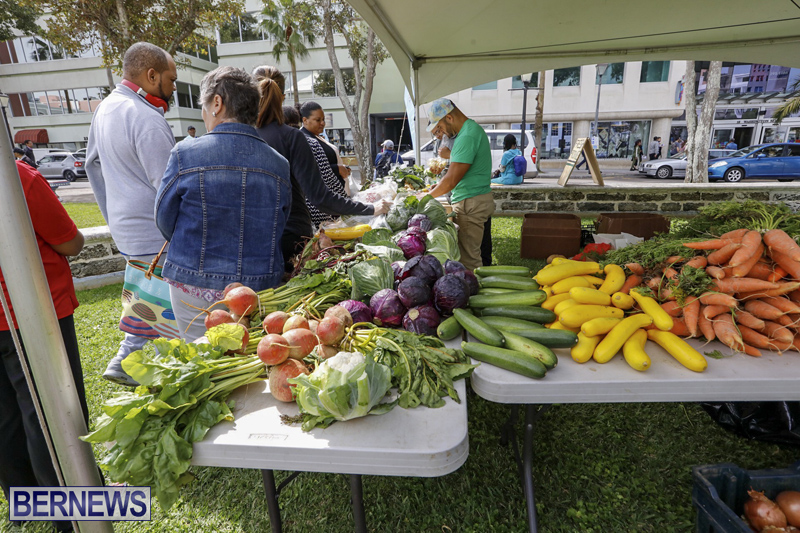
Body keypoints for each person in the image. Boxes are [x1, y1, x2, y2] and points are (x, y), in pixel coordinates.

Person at [155, 66, 291, 342]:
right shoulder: (279, 163)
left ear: (217, 102)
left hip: (193, 283)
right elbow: (280, 223)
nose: (203, 115)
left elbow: (164, 219)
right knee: (245, 362)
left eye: (204, 107)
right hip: (256, 287)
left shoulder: (185, 153)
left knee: (201, 361)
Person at [1, 160, 87, 533]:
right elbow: (71, 240)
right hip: (28, 314)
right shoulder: (14, 175)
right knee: (52, 417)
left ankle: (25, 499)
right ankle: (71, 515)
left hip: (16, 314)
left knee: (6, 417)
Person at [86, 41, 178, 386]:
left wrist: (114, 217)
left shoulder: (106, 108)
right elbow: (169, 187)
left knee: (145, 296)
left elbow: (92, 168)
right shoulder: (144, 117)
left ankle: (127, 355)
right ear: (151, 75)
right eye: (169, 80)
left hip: (128, 230)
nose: (171, 89)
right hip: (156, 232)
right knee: (169, 313)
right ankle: (133, 360)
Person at [251, 65, 388, 272]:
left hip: (255, 241)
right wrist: (370, 209)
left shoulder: (244, 137)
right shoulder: (292, 137)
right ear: (283, 96)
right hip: (292, 239)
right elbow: (319, 196)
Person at [423, 98, 494, 271]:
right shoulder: (469, 131)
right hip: (472, 199)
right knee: (471, 254)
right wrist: (437, 187)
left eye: (439, 128)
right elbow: (454, 175)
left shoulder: (467, 135)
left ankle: (474, 295)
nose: (442, 134)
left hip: (471, 203)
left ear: (449, 118)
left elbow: (451, 180)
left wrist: (423, 199)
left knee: (469, 261)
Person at [299, 101, 352, 191]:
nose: (323, 123)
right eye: (318, 120)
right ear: (305, 120)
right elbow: (310, 169)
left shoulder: (318, 137)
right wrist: (337, 169)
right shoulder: (304, 140)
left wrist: (342, 168)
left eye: (323, 119)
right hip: (322, 195)